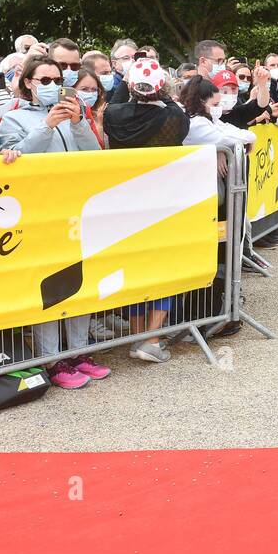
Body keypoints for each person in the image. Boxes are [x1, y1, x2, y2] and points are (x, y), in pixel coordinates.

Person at [0, 53, 108, 390]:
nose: (52, 86)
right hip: (39, 214)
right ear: (28, 82)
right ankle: (50, 358)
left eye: (57, 81)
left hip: (77, 210)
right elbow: (14, 158)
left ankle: (78, 352)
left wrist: (78, 124)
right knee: (49, 285)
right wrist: (46, 126)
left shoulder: (75, 115)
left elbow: (94, 156)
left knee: (80, 281)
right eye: (44, 80)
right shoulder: (12, 119)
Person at [101, 58, 190, 361]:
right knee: (163, 269)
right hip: (162, 201)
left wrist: (127, 86)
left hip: (125, 202)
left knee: (134, 269)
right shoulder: (174, 117)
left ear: (129, 85)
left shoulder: (113, 114)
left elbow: (115, 105)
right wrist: (162, 92)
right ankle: (152, 337)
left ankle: (138, 336)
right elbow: (178, 121)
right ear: (161, 86)